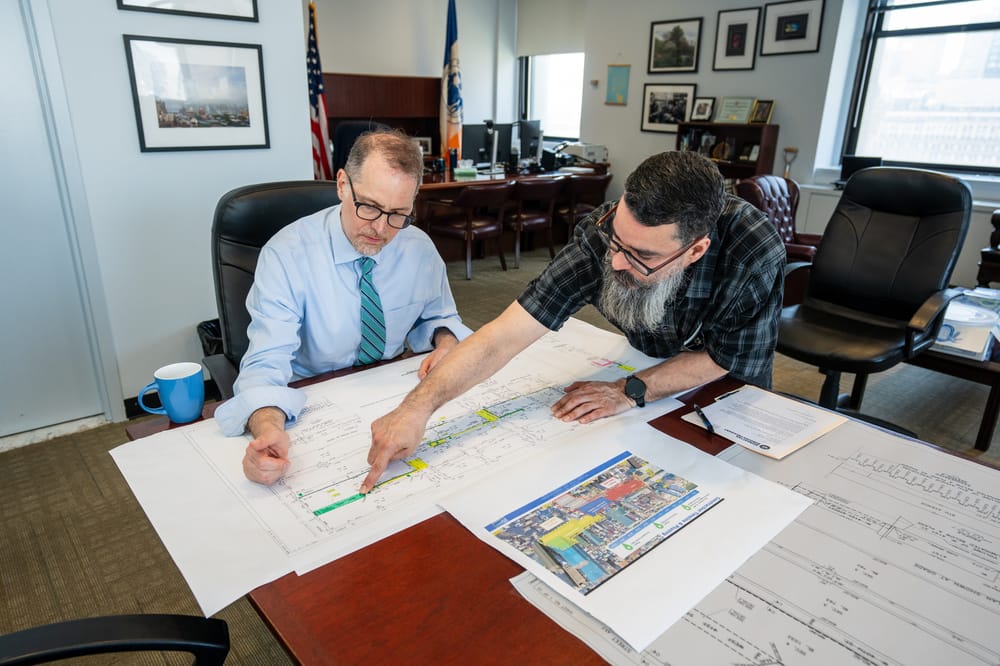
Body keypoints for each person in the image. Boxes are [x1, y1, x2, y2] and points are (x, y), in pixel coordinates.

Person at [359, 150, 784, 493]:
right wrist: (416, 408)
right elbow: (503, 336)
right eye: (619, 241)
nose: (616, 261)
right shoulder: (601, 236)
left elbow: (724, 358)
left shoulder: (752, 249)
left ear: (695, 250)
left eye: (643, 257)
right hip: (648, 359)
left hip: (727, 395)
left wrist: (629, 390)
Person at [215, 129, 471, 484]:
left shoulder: (418, 248)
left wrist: (447, 342)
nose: (381, 228)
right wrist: (268, 426)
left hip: (393, 394)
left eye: (398, 213)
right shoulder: (286, 254)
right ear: (341, 185)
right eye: (368, 206)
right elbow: (265, 362)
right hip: (313, 401)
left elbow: (438, 316)